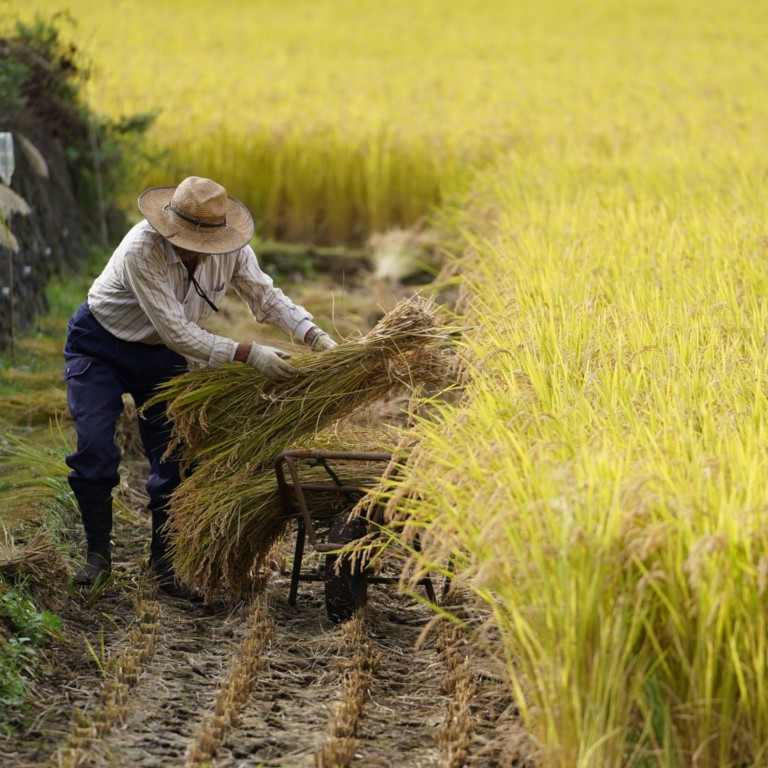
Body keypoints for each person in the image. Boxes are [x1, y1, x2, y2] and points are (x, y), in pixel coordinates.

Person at [63, 176, 337, 599]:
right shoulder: (142, 249)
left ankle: (165, 564)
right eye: (187, 241)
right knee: (95, 448)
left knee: (175, 456)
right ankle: (97, 556)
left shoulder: (233, 250)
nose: (195, 250)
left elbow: (266, 299)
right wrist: (248, 354)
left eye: (204, 242)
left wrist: (314, 336)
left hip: (163, 358)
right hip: (101, 345)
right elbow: (176, 332)